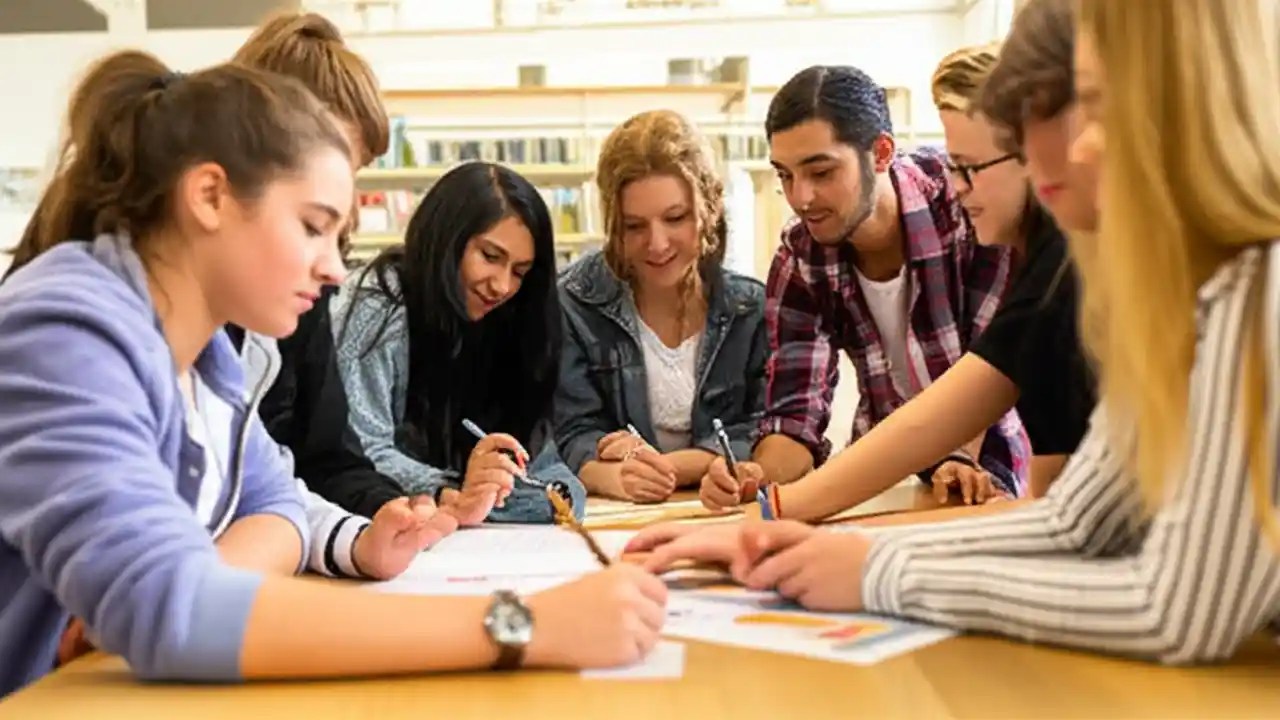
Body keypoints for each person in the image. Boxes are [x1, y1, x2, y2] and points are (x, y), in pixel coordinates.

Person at [0, 50, 665, 698]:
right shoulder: (65, 330)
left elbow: (278, 500)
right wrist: (523, 624)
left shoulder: (214, 361)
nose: (334, 270)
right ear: (209, 196)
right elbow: (173, 610)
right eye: (313, 227)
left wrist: (353, 547)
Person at [633, 0, 1280, 664]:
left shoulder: (1255, 288)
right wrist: (808, 541)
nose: (1067, 147)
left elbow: (1176, 611)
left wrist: (872, 571)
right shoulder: (1194, 289)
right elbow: (1074, 522)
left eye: (1092, 105)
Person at [706, 26, 1101, 522]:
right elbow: (797, 409)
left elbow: (978, 387)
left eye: (821, 172)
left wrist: (776, 512)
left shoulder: (1006, 234)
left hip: (983, 477)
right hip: (879, 482)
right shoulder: (802, 253)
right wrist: (762, 486)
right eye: (784, 175)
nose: (801, 197)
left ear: (882, 154)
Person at [226, 12, 409, 520]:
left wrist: (398, 512)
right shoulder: (121, 324)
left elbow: (304, 467)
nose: (334, 269)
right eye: (311, 217)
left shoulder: (297, 287)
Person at [332, 161, 587, 524]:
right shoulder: (379, 306)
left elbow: (548, 468)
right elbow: (358, 449)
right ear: (446, 239)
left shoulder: (511, 322)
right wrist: (450, 490)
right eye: (490, 256)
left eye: (520, 272)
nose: (501, 286)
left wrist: (548, 493)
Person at [554, 110, 768, 503]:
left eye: (675, 218)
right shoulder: (572, 302)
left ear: (708, 209)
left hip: (723, 510)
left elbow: (760, 432)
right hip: (615, 514)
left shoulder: (750, 308)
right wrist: (612, 477)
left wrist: (666, 468)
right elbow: (573, 433)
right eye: (634, 226)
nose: (657, 244)